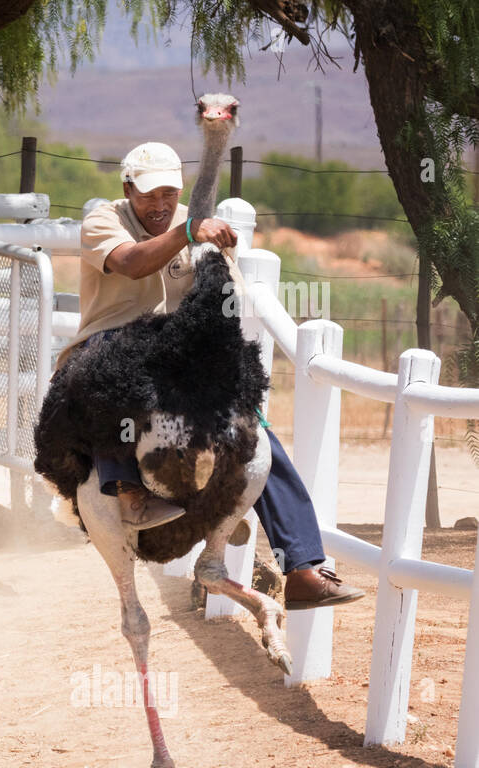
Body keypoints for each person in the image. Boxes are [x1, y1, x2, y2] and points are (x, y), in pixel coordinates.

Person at [63, 141, 364, 610]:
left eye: (169, 193)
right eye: (148, 195)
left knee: (254, 431)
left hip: (174, 347)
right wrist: (190, 231)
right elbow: (130, 262)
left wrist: (219, 262)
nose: (160, 204)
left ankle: (303, 567)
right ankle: (126, 490)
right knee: (114, 374)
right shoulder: (105, 220)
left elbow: (220, 299)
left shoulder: (193, 224)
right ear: (127, 189)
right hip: (112, 338)